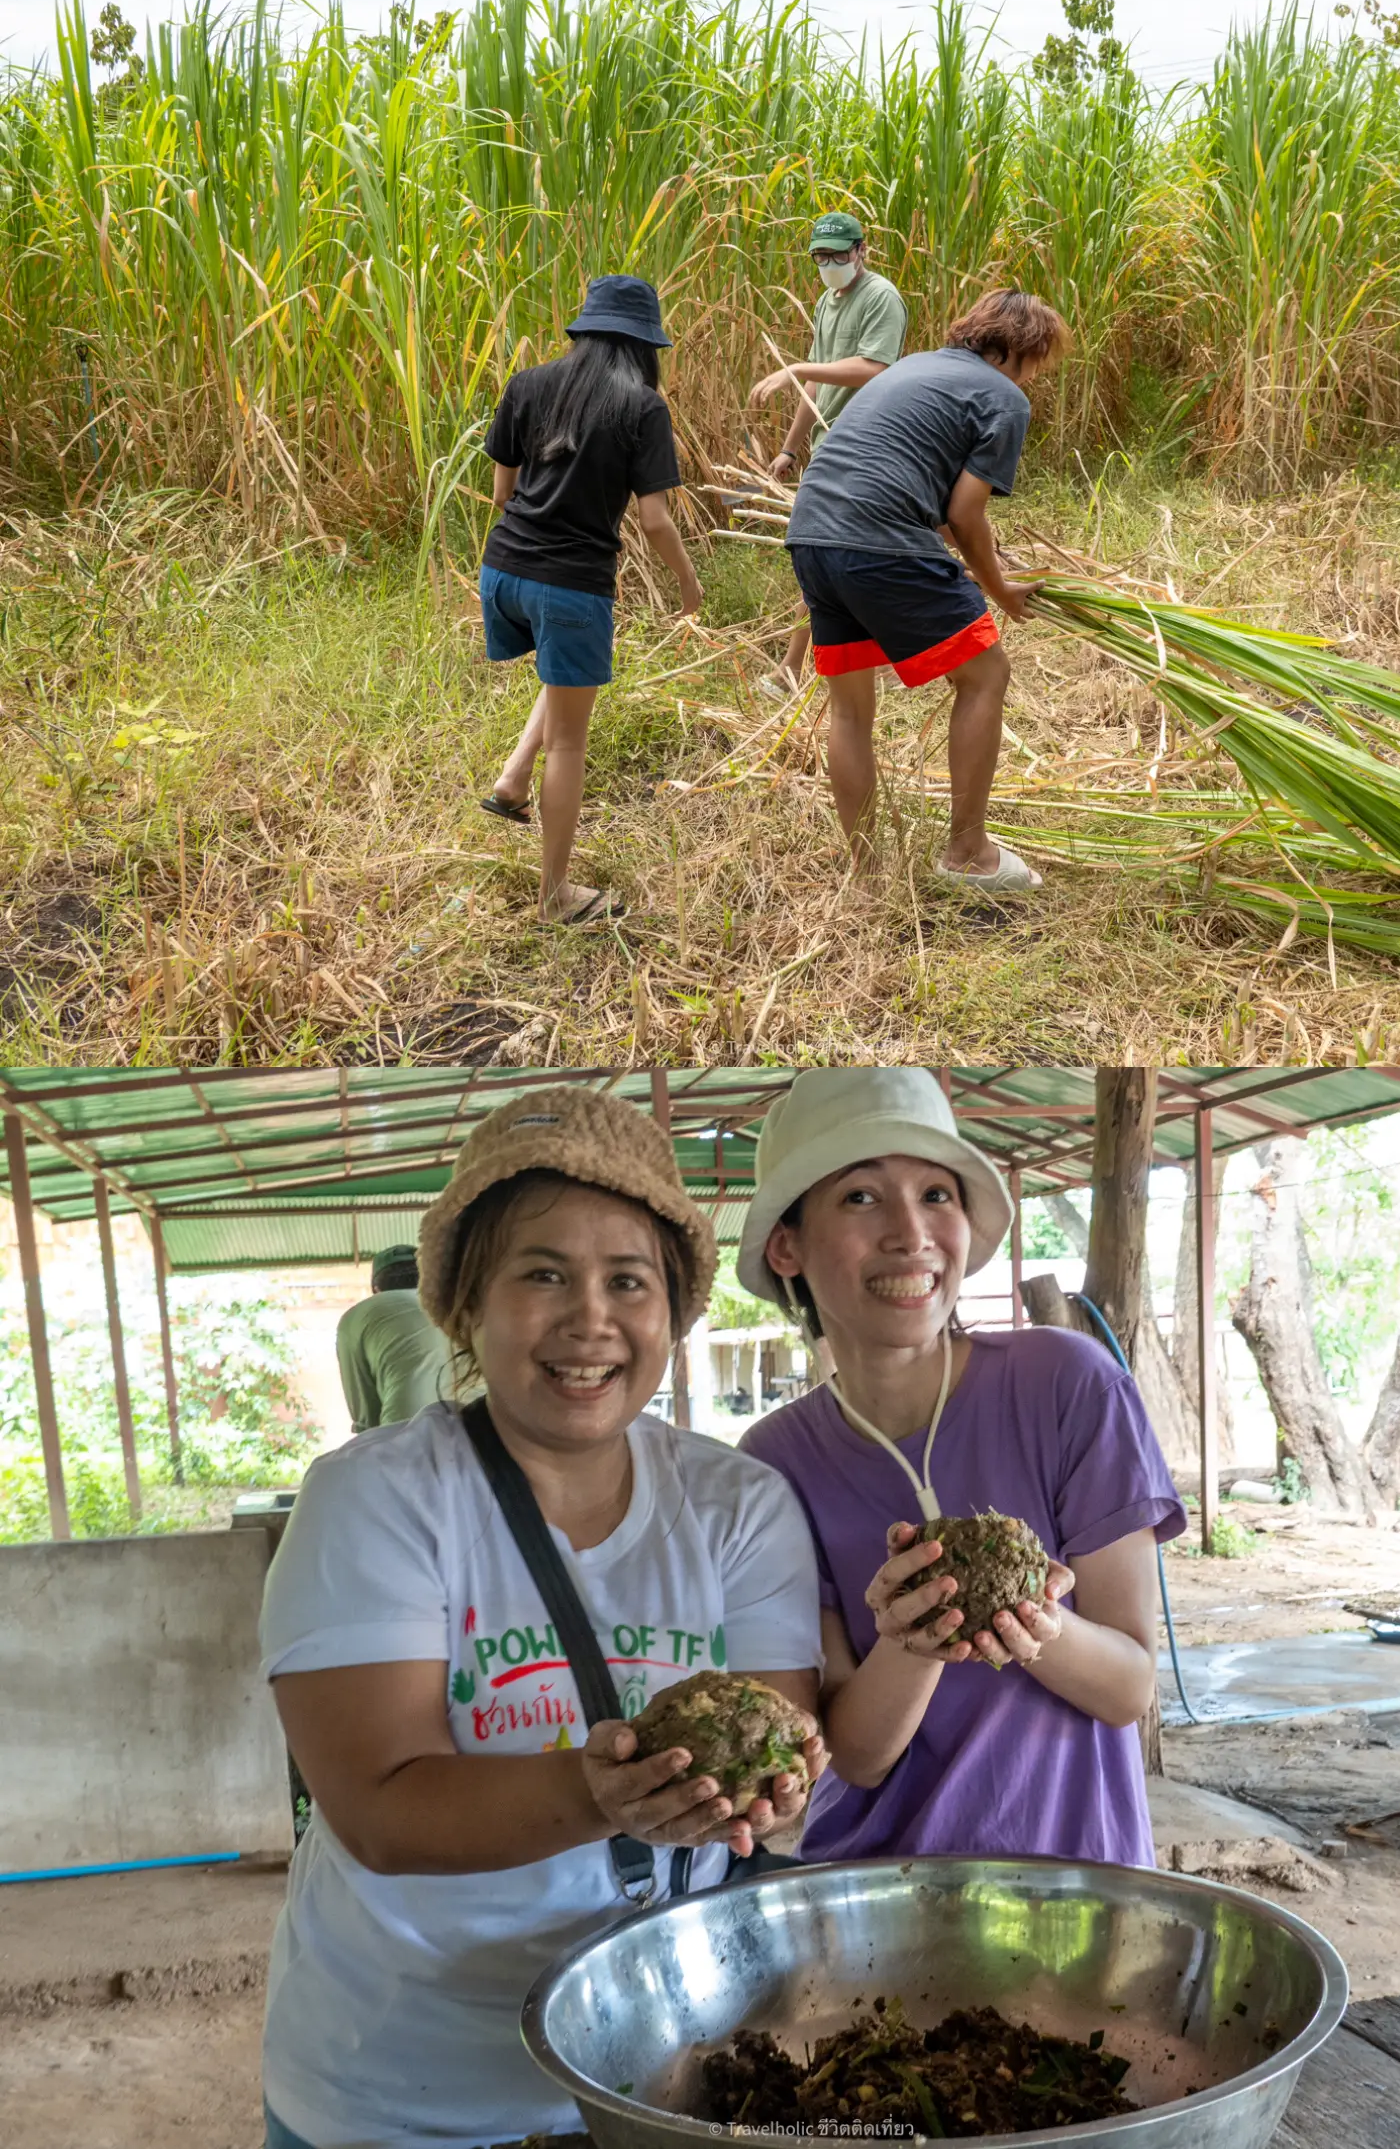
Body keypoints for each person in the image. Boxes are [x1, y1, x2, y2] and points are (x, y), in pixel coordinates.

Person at [259, 1090, 825, 2149]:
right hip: (407, 2097)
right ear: (467, 1301)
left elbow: (779, 1767)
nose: (589, 1320)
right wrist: (596, 1789)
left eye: (628, 1281)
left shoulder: (738, 1506)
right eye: (543, 1274)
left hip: (666, 2076)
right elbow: (379, 1809)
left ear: (673, 1311)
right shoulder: (376, 1498)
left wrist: (776, 1787)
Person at [737, 1066, 1186, 1869]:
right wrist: (912, 1639)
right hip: (874, 1889)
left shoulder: (1068, 1384)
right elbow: (857, 1757)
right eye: (860, 1197)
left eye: (936, 1195)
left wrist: (1033, 1624)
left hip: (1073, 1878)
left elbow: (1128, 1688)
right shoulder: (775, 1461)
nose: (910, 1233)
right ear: (787, 1246)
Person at [783, 290, 1071, 893]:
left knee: (850, 708)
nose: (1035, 378)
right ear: (1022, 351)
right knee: (986, 674)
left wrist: (982, 555)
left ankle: (866, 878)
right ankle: (968, 852)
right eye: (1039, 364)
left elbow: (932, 500)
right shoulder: (1005, 398)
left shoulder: (914, 366)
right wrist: (1002, 589)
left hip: (811, 533)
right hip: (877, 538)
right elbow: (966, 514)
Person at [478, 275, 704, 926]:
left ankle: (512, 781)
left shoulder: (528, 384)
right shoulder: (641, 406)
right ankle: (554, 897)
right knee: (572, 742)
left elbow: (501, 492)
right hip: (570, 585)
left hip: (502, 574)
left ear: (583, 331)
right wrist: (687, 585)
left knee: (563, 671)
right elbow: (656, 520)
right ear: (643, 347)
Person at [747, 213, 907, 699]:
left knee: (821, 555)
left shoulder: (881, 298)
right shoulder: (825, 302)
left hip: (867, 446)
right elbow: (817, 382)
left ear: (863, 249)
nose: (832, 263)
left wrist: (794, 365)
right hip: (829, 445)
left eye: (841, 253)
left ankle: (791, 671)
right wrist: (790, 448)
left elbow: (874, 367)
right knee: (839, 557)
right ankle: (875, 664)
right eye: (822, 255)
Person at [334, 1244, 452, 1431]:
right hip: (487, 1432)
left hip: (409, 1433)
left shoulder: (358, 1316)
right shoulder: (457, 1305)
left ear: (376, 1288)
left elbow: (365, 1419)